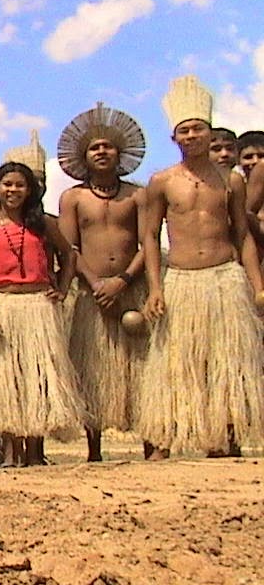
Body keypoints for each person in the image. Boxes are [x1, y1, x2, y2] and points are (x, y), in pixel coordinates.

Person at [139, 75, 264, 458]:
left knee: (228, 359)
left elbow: (243, 235)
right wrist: (156, 288)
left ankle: (226, 437)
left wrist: (256, 285)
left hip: (225, 276)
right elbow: (149, 237)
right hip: (181, 278)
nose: (192, 135)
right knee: (176, 361)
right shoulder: (161, 181)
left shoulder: (232, 181)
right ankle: (167, 436)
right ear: (175, 138)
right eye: (184, 130)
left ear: (210, 134)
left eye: (198, 129)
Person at [55, 103, 150, 462]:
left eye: (107, 146)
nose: (101, 152)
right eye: (94, 147)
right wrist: (95, 283)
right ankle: (94, 450)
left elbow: (148, 243)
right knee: (92, 368)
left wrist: (124, 280)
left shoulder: (137, 195)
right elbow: (69, 248)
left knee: (140, 368)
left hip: (131, 289)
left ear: (119, 151)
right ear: (84, 155)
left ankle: (149, 445)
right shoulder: (73, 198)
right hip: (91, 294)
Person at [0, 161, 83, 466]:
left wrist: (61, 290)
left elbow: (69, 256)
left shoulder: (45, 224)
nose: (13, 190)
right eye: (7, 185)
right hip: (5, 305)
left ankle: (36, 452)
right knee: (8, 378)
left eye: (19, 185)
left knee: (38, 378)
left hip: (39, 304)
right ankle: (11, 453)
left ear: (30, 189)